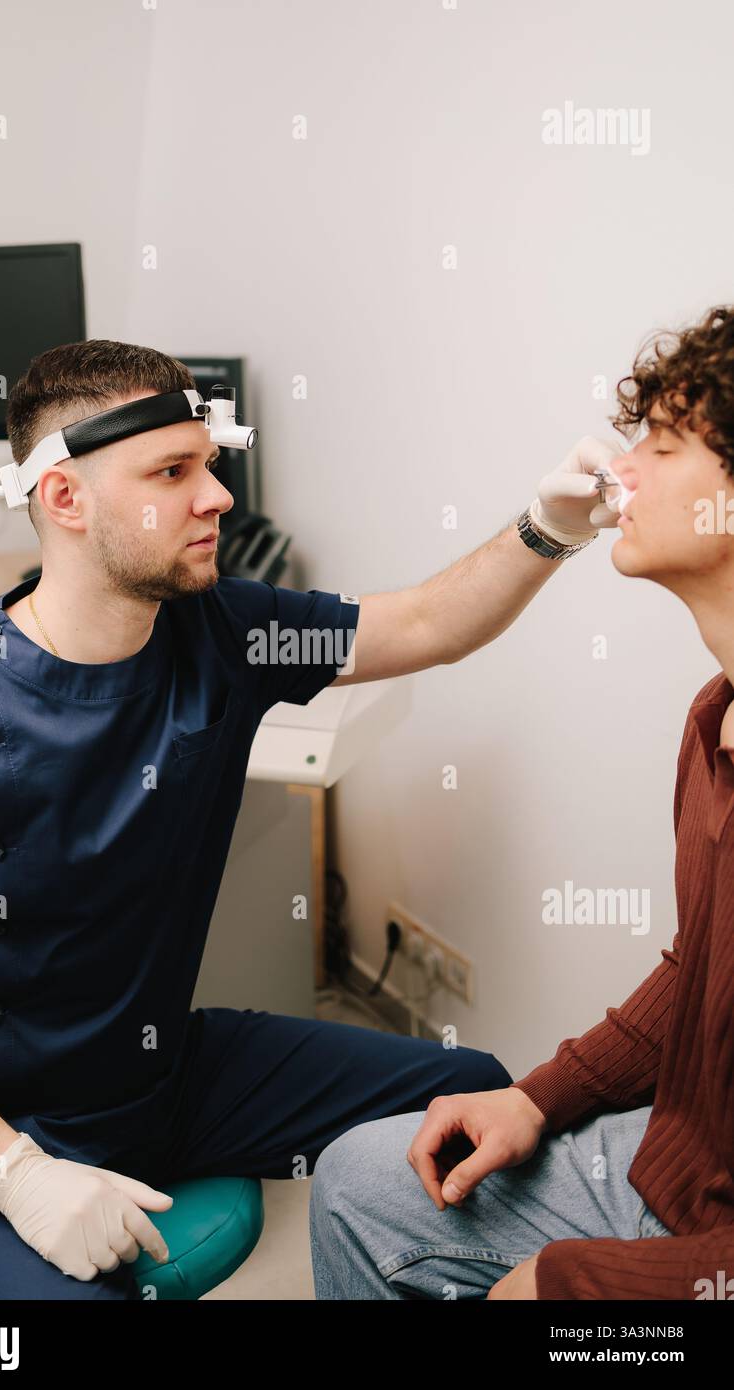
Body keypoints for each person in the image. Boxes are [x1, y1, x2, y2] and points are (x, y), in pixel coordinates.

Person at [0, 338, 613, 1300]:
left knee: (477, 1089)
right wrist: (17, 1176)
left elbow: (426, 624)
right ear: (64, 498)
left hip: (161, 1076)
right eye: (172, 472)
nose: (216, 495)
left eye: (209, 464)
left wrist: (549, 528)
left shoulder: (225, 631)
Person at [309, 304, 734, 1301]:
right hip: (679, 1157)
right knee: (352, 1181)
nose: (616, 474)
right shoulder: (710, 719)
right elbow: (697, 975)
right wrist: (533, 1097)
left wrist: (570, 1283)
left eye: (660, 446)